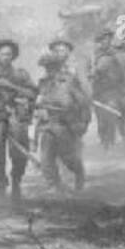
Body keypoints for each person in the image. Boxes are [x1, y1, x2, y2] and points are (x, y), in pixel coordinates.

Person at [0, 38, 35, 209]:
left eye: (9, 54)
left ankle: (16, 183)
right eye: (2, 54)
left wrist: (11, 86)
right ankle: (0, 189)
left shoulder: (20, 74)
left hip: (14, 116)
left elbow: (32, 93)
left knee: (19, 152)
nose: (6, 57)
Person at [35, 53, 88, 192]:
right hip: (48, 124)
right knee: (46, 158)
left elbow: (83, 103)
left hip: (65, 125)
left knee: (68, 159)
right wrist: (38, 108)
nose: (50, 70)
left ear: (59, 67)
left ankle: (79, 174)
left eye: (53, 67)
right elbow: (37, 103)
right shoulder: (43, 83)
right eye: (47, 67)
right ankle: (54, 185)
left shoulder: (69, 81)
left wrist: (82, 123)